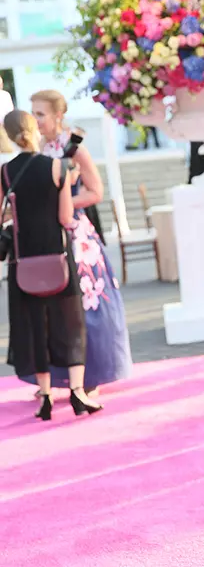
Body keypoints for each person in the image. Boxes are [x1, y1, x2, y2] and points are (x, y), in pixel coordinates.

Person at [1, 110, 102, 420]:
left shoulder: (5, 172)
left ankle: (44, 396)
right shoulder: (57, 166)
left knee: (34, 325)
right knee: (69, 324)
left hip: (23, 259)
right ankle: (77, 392)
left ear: (8, 134)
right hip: (56, 254)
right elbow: (64, 218)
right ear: (34, 130)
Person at [31, 90, 132, 391]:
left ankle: (93, 374)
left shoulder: (75, 151)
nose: (36, 120)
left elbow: (96, 192)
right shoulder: (38, 149)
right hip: (48, 235)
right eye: (33, 113)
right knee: (51, 305)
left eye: (40, 114)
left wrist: (62, 202)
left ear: (58, 116)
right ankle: (58, 376)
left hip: (77, 237)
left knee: (87, 304)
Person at [0, 76, 14, 154]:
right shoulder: (5, 95)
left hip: (4, 125)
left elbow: (10, 111)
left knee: (6, 149)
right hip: (4, 124)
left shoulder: (5, 95)